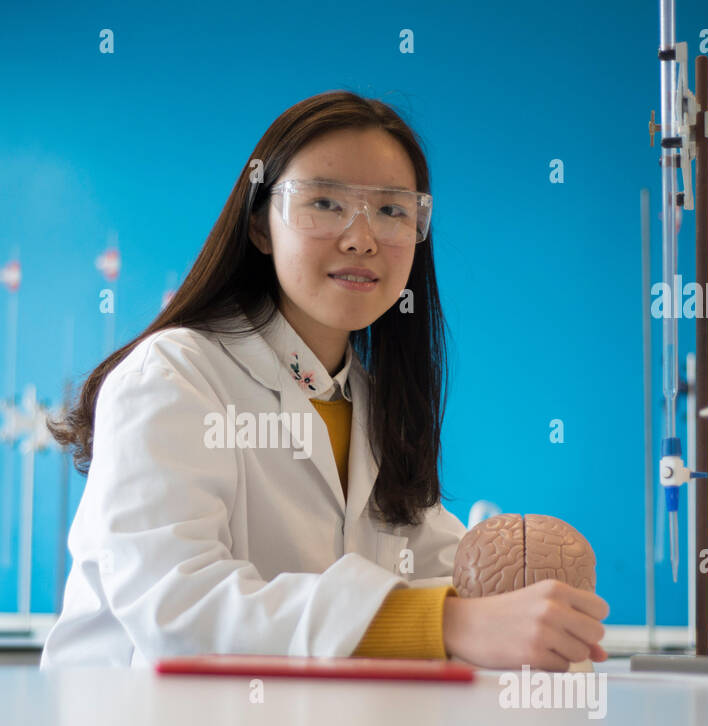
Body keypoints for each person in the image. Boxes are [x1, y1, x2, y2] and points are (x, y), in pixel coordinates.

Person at [41, 90, 609, 669]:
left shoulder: (370, 403)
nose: (362, 237)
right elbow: (177, 605)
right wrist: (447, 622)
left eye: (392, 210)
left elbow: (438, 566)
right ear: (261, 226)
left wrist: (527, 599)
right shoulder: (175, 374)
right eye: (325, 203)